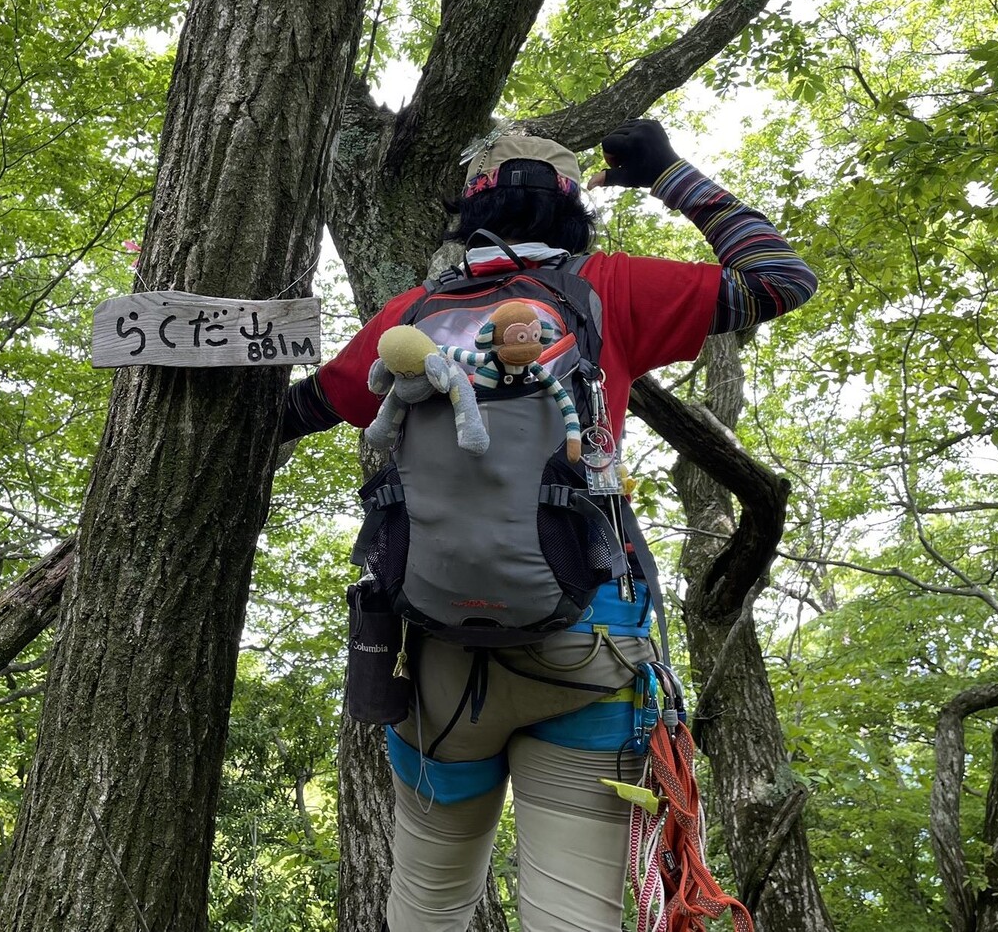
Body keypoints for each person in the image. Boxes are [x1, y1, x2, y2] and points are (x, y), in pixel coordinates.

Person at [280, 119, 816, 932]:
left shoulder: (411, 317)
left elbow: (301, 409)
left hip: (437, 661)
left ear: (468, 211)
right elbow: (778, 278)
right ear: (573, 213)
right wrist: (666, 173)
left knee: (424, 911)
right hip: (587, 649)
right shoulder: (611, 289)